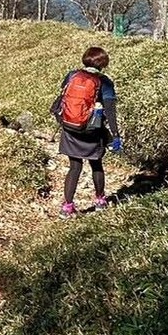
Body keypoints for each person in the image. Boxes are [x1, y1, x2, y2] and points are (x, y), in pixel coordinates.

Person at [50, 45, 121, 216]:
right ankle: (100, 201)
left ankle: (67, 207)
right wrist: (115, 135)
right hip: (92, 131)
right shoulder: (104, 82)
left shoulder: (72, 75)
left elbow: (64, 96)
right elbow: (110, 110)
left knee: (74, 167)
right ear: (103, 63)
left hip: (70, 127)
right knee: (96, 164)